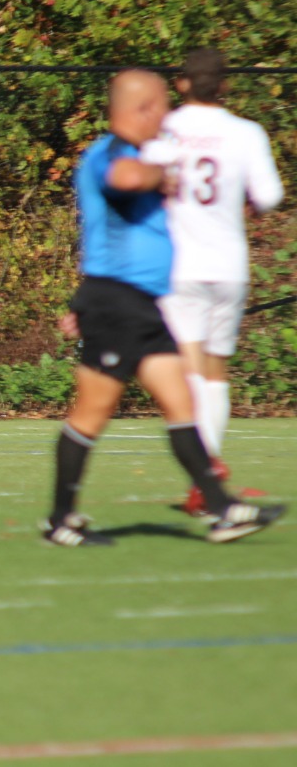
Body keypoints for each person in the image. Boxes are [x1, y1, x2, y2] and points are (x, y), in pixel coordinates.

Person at [45, 70, 283, 546]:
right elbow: (125, 178)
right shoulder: (115, 152)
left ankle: (221, 508)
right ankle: (60, 521)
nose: (166, 115)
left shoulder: (135, 152)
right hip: (116, 302)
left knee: (181, 402)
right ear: (144, 108)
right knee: (92, 413)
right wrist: (166, 173)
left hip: (136, 305)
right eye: (159, 106)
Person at [149, 49, 284, 516]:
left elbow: (145, 184)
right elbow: (269, 196)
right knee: (214, 373)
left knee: (186, 371)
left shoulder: (164, 128)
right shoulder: (246, 132)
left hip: (178, 266)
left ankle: (204, 476)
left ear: (182, 83)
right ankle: (208, 472)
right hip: (229, 266)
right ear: (225, 85)